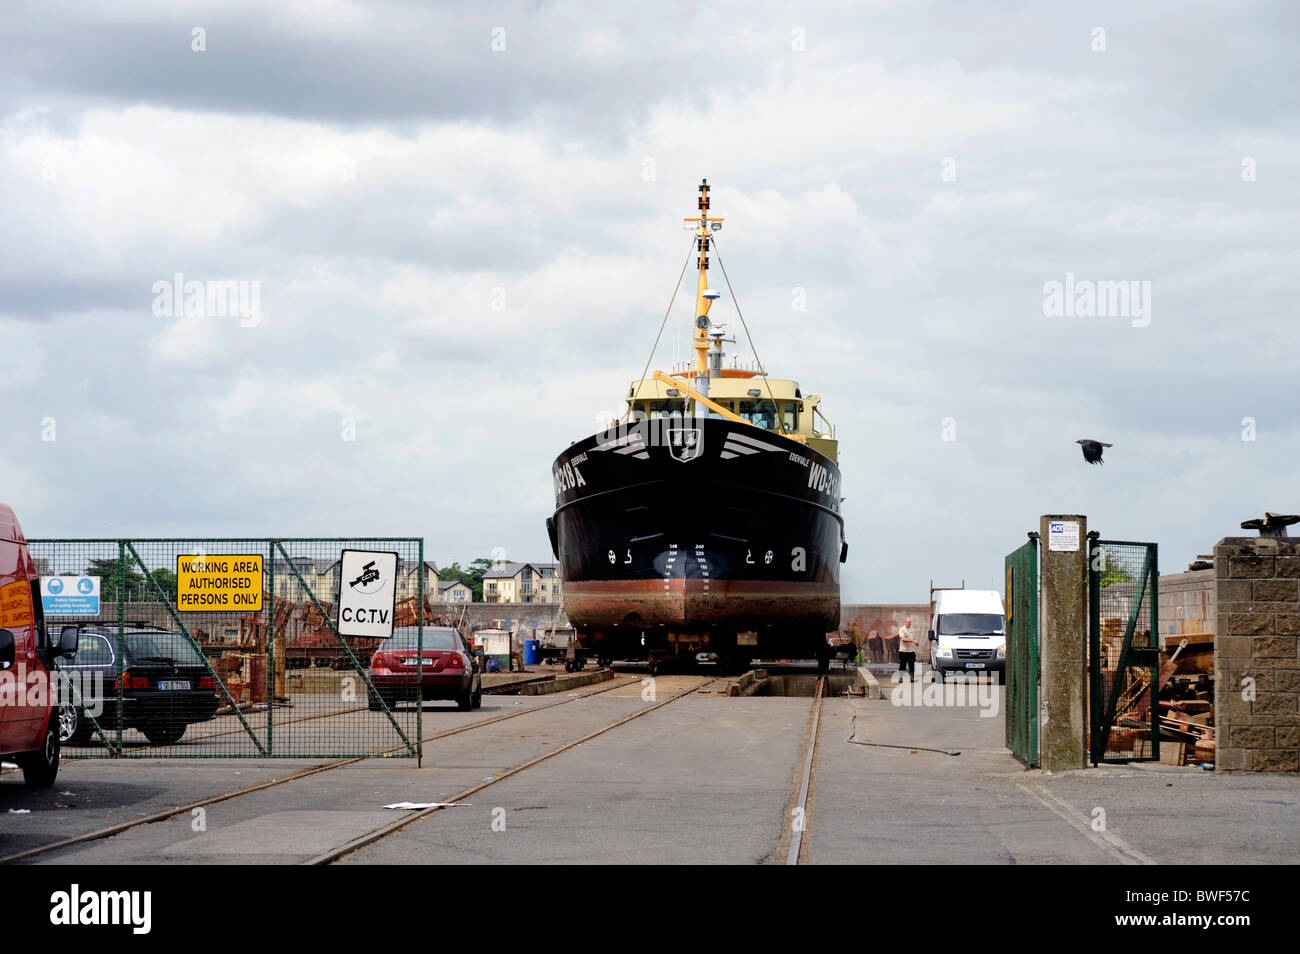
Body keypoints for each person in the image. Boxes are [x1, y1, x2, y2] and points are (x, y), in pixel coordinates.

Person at [896, 616, 918, 681]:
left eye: (910, 622)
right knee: (903, 664)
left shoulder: (912, 629)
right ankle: (901, 677)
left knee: (911, 664)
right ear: (905, 622)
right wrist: (912, 641)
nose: (910, 624)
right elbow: (903, 639)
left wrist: (915, 642)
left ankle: (912, 677)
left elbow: (913, 638)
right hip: (903, 651)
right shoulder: (902, 629)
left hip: (911, 651)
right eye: (909, 622)